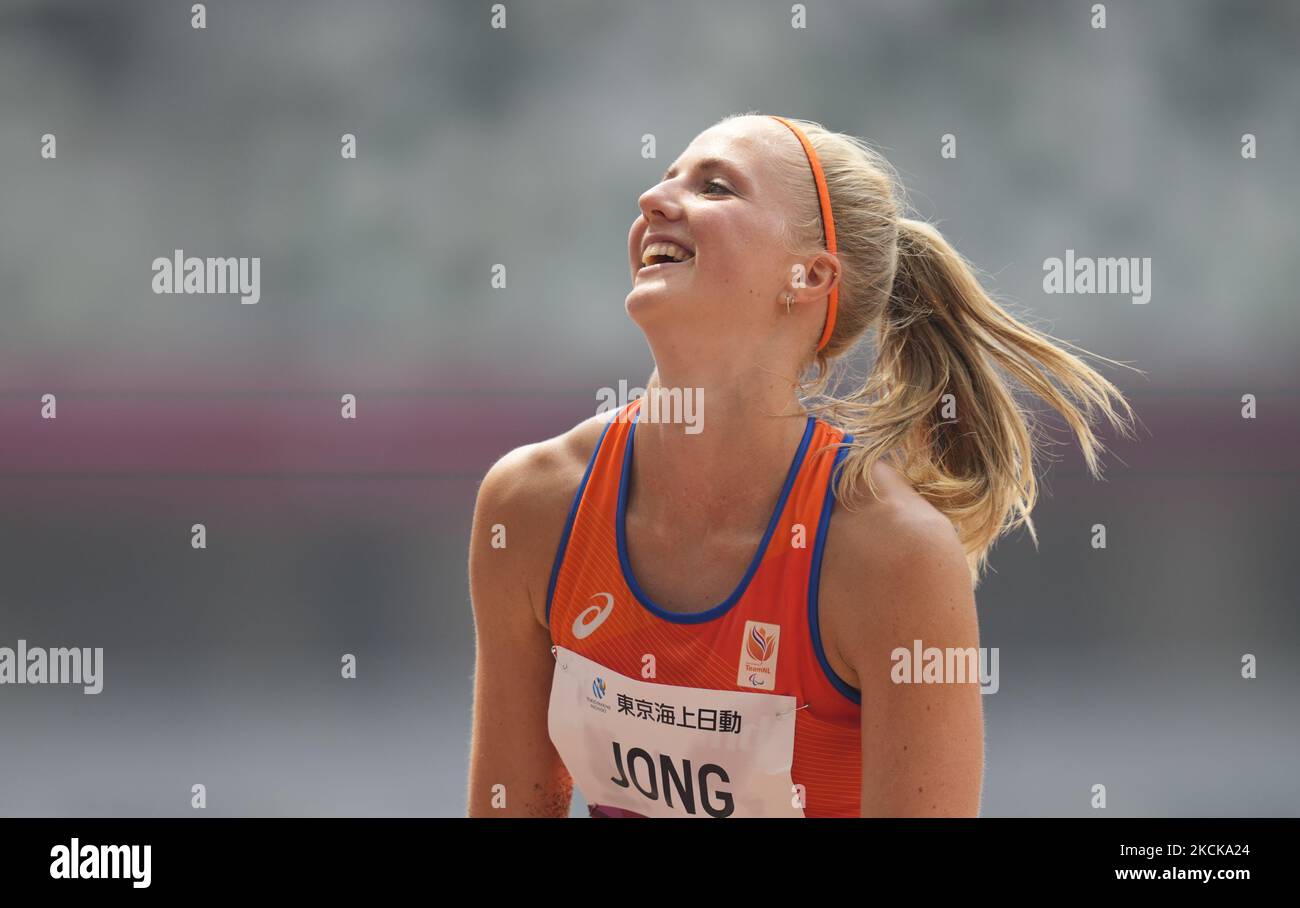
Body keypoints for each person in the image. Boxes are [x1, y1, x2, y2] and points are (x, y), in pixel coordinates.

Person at [466, 112, 1135, 817]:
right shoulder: (531, 505)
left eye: (716, 188)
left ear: (810, 275)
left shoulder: (890, 555)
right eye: (665, 180)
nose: (653, 202)